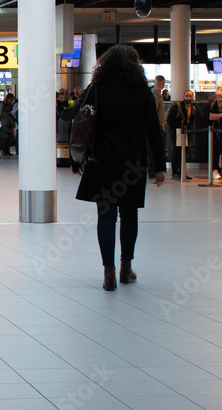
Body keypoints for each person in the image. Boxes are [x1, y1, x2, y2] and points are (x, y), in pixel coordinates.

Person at [72, 45, 166, 292]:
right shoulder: (142, 92)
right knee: (129, 214)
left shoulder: (96, 89)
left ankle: (108, 273)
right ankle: (126, 268)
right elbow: (154, 132)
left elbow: (79, 122)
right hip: (132, 163)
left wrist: (77, 159)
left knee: (106, 215)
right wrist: (160, 166)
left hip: (101, 160)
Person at [167, 90, 196, 180]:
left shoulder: (193, 108)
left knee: (185, 151)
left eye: (190, 96)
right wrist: (174, 130)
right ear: (184, 96)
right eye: (187, 96)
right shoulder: (177, 106)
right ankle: (175, 171)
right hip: (177, 131)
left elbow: (192, 120)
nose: (188, 98)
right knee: (177, 151)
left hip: (187, 132)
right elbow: (170, 119)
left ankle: (182, 172)